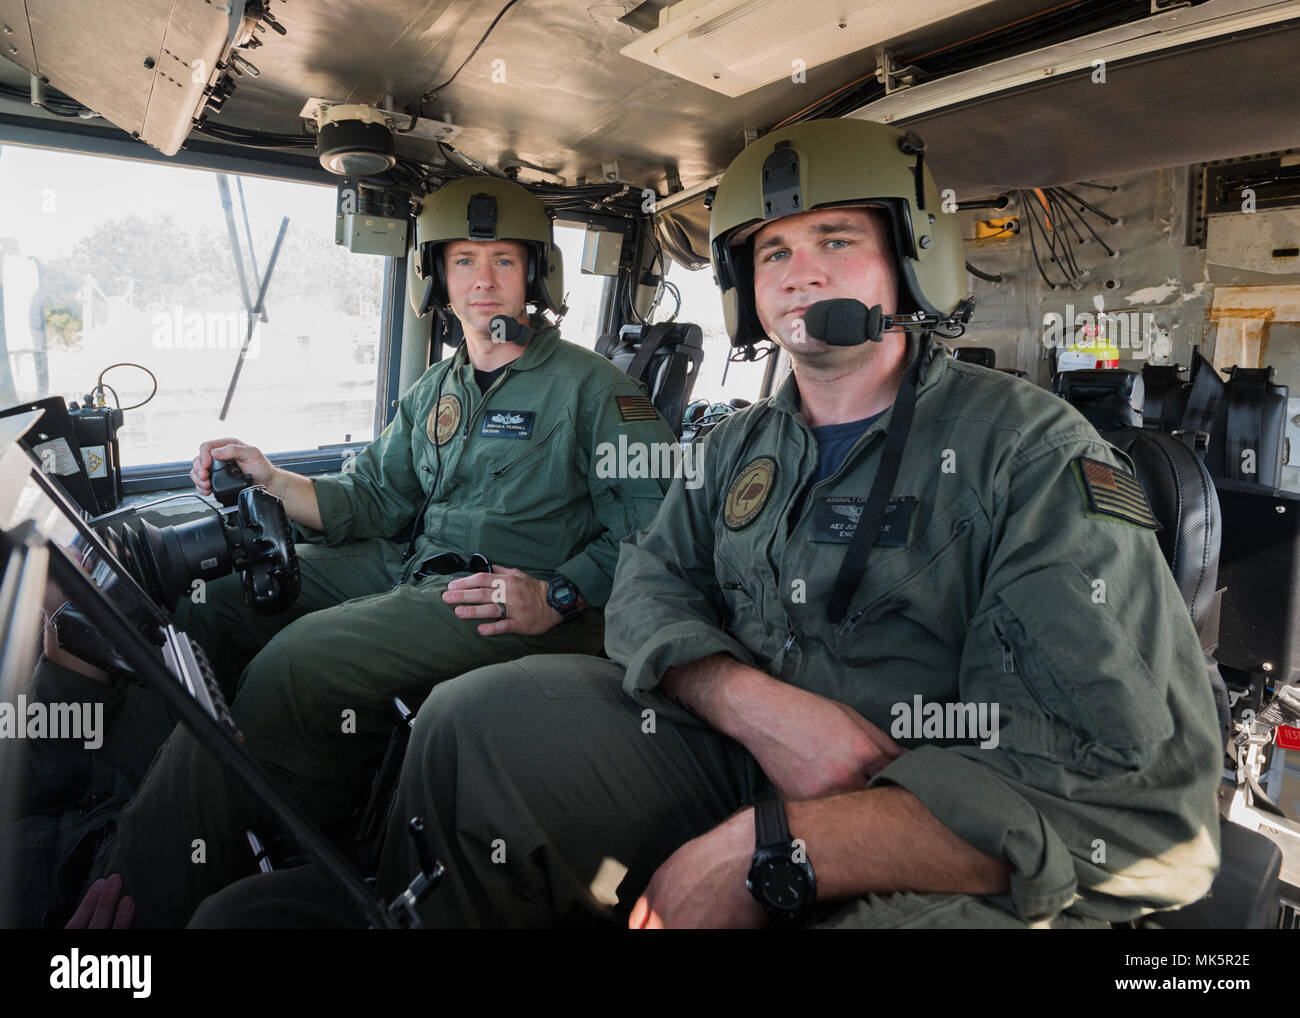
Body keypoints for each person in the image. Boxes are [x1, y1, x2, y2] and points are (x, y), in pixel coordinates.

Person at [354, 118, 1223, 929]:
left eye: (835, 241)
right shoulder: (739, 445)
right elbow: (648, 584)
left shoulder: (1027, 452)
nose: (799, 274)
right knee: (467, 723)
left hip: (932, 809)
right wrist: (744, 699)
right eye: (773, 251)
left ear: (910, 259)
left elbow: (1142, 811)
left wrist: (777, 847)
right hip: (735, 753)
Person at [73, 175, 677, 928]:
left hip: (513, 598)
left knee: (296, 665)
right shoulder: (437, 388)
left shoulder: (598, 391)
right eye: (463, 261)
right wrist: (272, 477)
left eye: (503, 261)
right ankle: (116, 815)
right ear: (437, 276)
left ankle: (143, 896)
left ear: (535, 274)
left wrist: (558, 595)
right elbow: (373, 498)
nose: (483, 280)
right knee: (214, 605)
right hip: (417, 565)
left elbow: (658, 534)